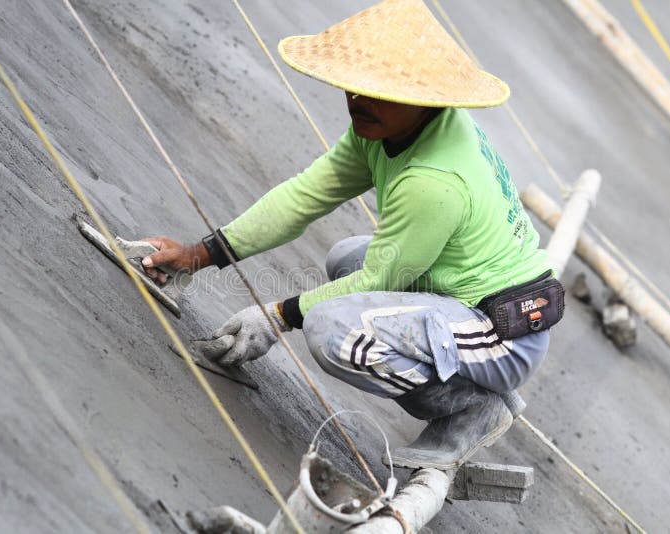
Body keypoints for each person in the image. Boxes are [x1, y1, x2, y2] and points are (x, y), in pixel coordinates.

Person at [141, 0, 562, 470]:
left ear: (425, 96)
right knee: (346, 258)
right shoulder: (387, 125)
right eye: (356, 87)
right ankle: (469, 393)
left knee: (333, 330)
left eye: (379, 91)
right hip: (460, 296)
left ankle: (471, 407)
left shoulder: (434, 182)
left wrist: (278, 316)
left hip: (502, 329)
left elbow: (377, 280)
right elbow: (307, 195)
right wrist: (198, 254)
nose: (358, 101)